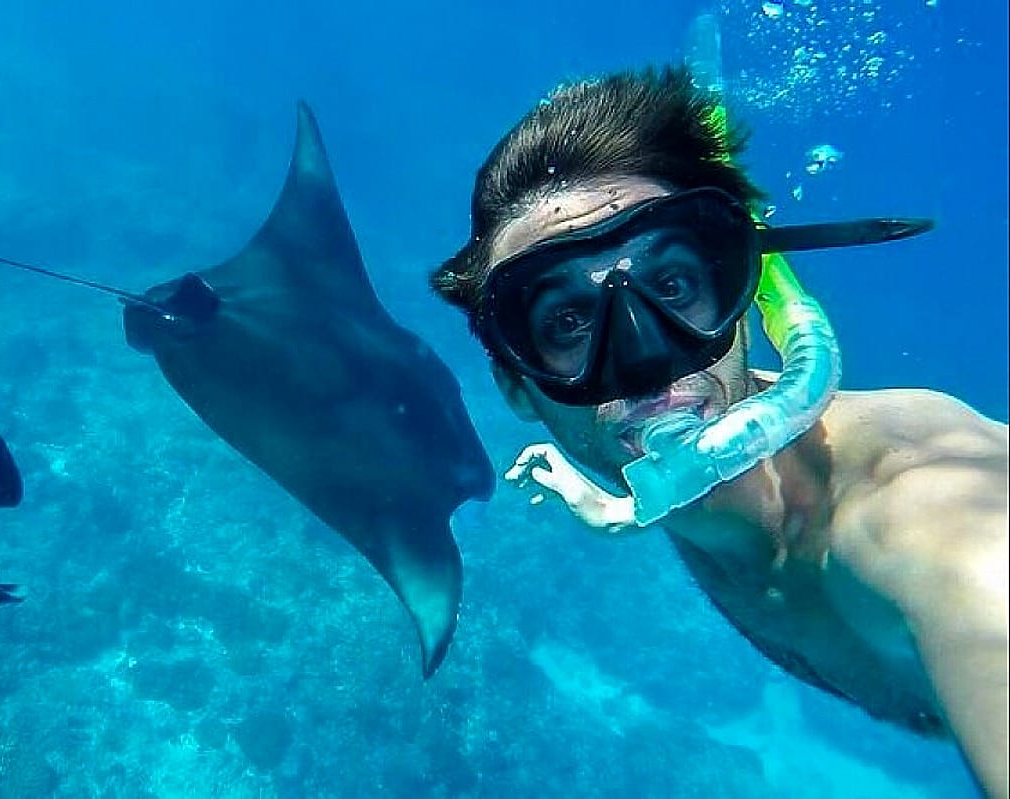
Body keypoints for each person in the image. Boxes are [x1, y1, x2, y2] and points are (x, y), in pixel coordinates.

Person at [429, 66, 1009, 798]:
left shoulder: (932, 528)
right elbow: (673, 480)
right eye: (570, 322)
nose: (646, 358)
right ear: (518, 385)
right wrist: (615, 509)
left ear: (740, 296)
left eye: (672, 287)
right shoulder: (678, 482)